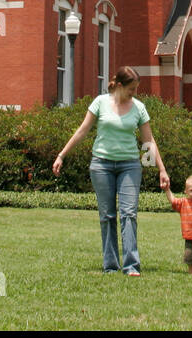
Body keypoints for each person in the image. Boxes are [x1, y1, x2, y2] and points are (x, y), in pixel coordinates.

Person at [53, 66, 169, 275]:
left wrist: (161, 169)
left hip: (130, 166)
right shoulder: (100, 102)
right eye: (131, 89)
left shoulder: (139, 108)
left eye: (136, 89)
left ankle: (131, 264)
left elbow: (148, 141)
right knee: (107, 215)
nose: (134, 93)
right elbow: (82, 130)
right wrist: (62, 155)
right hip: (101, 165)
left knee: (129, 214)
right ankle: (110, 265)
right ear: (119, 85)